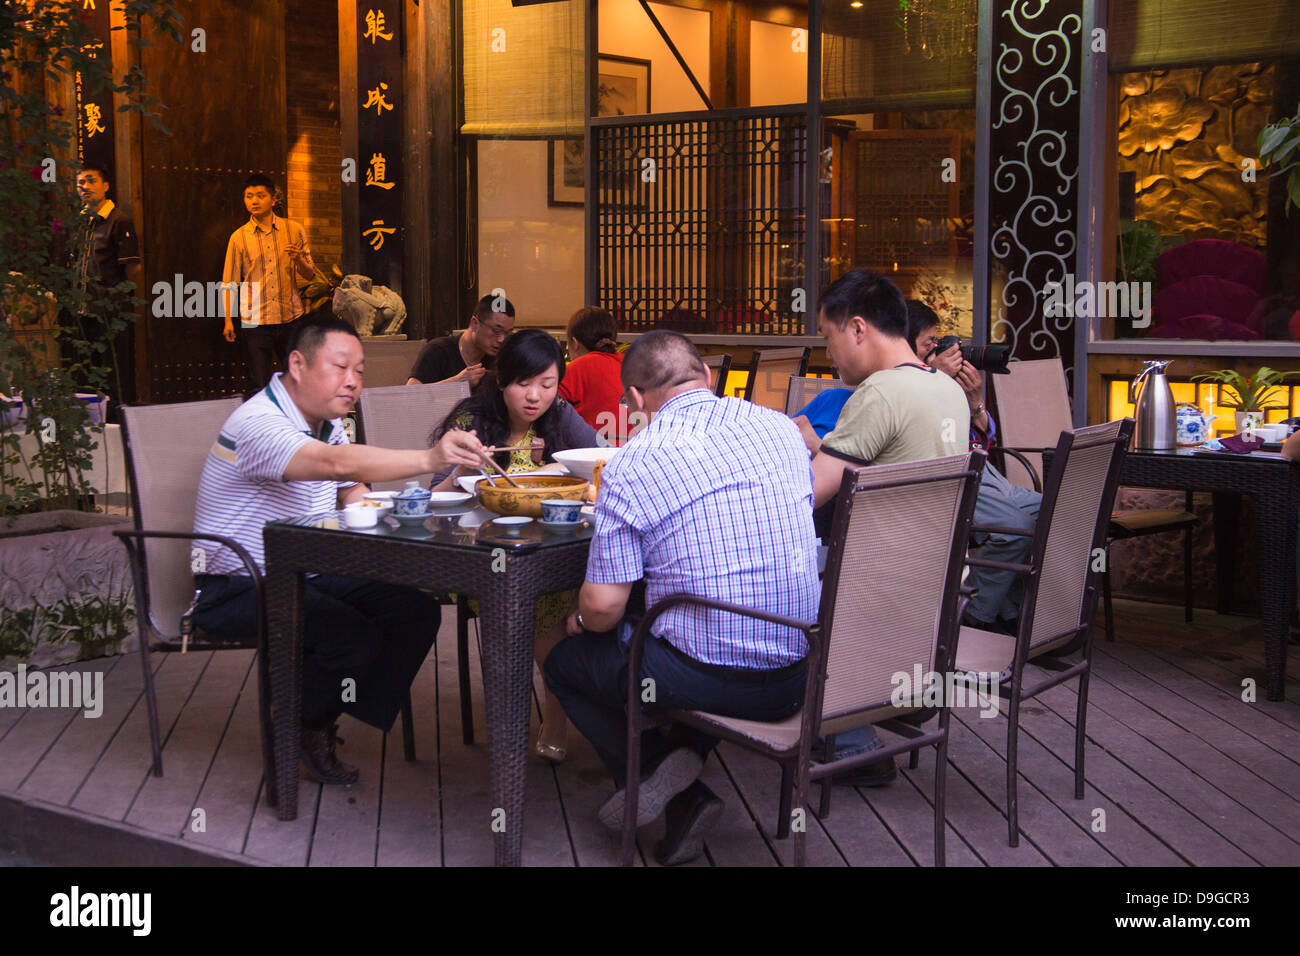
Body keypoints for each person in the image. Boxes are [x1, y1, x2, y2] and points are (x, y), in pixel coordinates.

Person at [544, 330, 819, 865]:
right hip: (802, 668)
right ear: (708, 377)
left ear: (635, 401)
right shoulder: (780, 429)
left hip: (709, 682)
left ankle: (665, 777)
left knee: (565, 661)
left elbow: (601, 609)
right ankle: (685, 753)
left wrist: (575, 620)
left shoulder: (633, 463)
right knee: (672, 622)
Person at [191, 315, 487, 785]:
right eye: (340, 367)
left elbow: (351, 490)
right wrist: (430, 459)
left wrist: (413, 502)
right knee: (350, 636)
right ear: (297, 364)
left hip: (307, 569)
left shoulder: (328, 422)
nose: (352, 381)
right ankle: (302, 724)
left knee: (412, 610)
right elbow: (331, 466)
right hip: (238, 584)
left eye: (360, 370)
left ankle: (317, 713)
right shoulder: (261, 422)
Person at [805, 271, 970, 786]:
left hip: (876, 591)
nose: (828, 354)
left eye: (828, 338)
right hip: (935, 585)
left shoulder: (878, 393)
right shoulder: (946, 388)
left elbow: (811, 492)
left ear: (857, 329)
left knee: (755, 572)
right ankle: (846, 728)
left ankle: (843, 732)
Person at [429, 328, 598, 761]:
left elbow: (599, 461)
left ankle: (548, 713)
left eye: (547, 384)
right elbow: (438, 495)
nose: (535, 397)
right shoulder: (472, 420)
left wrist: (559, 464)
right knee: (530, 602)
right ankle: (541, 709)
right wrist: (460, 469)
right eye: (523, 383)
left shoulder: (559, 417)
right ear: (502, 381)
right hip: (484, 554)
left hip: (553, 550)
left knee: (553, 596)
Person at [907, 300, 1041, 634]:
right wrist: (936, 377)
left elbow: (984, 436)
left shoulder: (940, 379)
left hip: (982, 469)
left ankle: (1004, 606)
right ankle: (975, 614)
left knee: (1049, 511)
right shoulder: (905, 382)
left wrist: (975, 401)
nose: (938, 348)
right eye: (929, 343)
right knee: (1017, 526)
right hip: (951, 475)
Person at [221, 173, 316, 390]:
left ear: (273, 199)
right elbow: (229, 282)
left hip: (290, 317)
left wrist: (298, 259)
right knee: (258, 383)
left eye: (260, 195)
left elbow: (310, 274)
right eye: (249, 196)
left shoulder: (294, 230)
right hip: (255, 320)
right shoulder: (239, 237)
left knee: (296, 381)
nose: (254, 201)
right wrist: (228, 319)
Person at [71, 163, 142, 409]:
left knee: (115, 371)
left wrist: (117, 301)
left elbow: (133, 269)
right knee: (86, 371)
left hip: (109, 310)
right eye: (81, 183)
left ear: (106, 186)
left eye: (91, 181)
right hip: (83, 309)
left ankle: (118, 423)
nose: (85, 187)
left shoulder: (119, 221)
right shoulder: (81, 221)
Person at [406, 294, 515, 386]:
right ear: (475, 324)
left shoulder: (498, 358)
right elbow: (410, 395)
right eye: (496, 331)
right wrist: (458, 383)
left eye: (507, 333)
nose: (502, 339)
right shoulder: (438, 350)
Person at [557, 306, 624, 438]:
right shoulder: (631, 364)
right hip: (634, 451)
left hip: (591, 453)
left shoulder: (574, 370)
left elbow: (549, 411)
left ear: (575, 343)